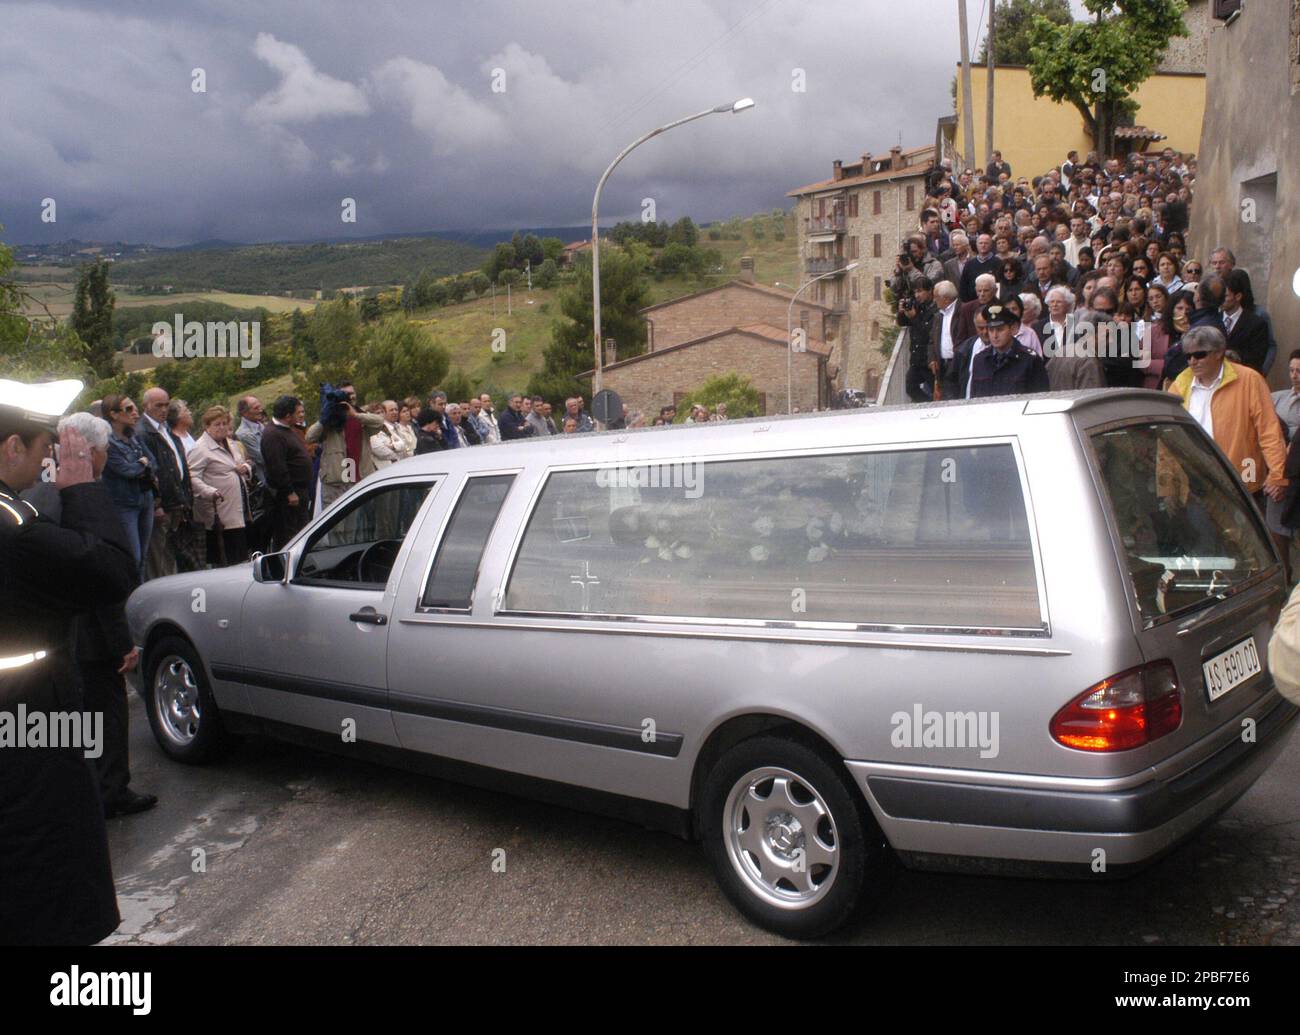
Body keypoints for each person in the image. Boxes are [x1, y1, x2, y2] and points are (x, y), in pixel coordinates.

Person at [0, 377, 138, 945]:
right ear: (12, 447)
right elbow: (110, 572)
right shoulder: (11, 530)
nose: (44, 463)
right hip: (26, 715)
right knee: (48, 849)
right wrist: (82, 488)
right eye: (40, 449)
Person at [1168, 325, 1287, 502]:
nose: (1193, 361)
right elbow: (1169, 438)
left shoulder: (1249, 380)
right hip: (1195, 484)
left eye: (1200, 354)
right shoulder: (1180, 385)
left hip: (1242, 484)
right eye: (1188, 356)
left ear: (1219, 352)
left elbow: (1269, 431)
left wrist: (1278, 475)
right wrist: (1168, 485)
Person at [138, 386, 192, 581]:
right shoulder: (144, 432)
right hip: (163, 504)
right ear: (145, 406)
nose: (163, 409)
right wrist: (157, 503)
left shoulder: (165, 429)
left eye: (166, 405)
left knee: (171, 555)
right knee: (158, 558)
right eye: (158, 405)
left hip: (175, 502)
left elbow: (177, 465)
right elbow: (149, 472)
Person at [189, 405, 253, 567]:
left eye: (225, 423)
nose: (222, 427)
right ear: (206, 426)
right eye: (217, 424)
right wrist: (209, 491)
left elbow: (244, 463)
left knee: (241, 554)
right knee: (225, 557)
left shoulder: (230, 444)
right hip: (219, 512)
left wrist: (245, 468)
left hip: (239, 508)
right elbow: (191, 477)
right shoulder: (200, 448)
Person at [101, 393, 157, 579]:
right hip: (125, 504)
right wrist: (143, 464)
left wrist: (144, 464)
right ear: (114, 414)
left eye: (135, 408)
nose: (135, 412)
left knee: (144, 555)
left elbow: (154, 463)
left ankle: (139, 591)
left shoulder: (134, 436)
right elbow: (126, 470)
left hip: (145, 499)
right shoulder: (108, 442)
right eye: (129, 409)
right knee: (134, 555)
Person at [307, 384, 385, 507]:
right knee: (338, 524)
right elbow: (309, 437)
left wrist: (355, 415)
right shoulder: (330, 421)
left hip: (360, 478)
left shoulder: (360, 416)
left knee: (356, 524)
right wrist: (325, 418)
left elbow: (379, 422)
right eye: (346, 394)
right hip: (337, 481)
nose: (350, 396)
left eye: (352, 393)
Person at [261, 395, 313, 551]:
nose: (301, 415)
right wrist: (289, 491)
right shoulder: (273, 434)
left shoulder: (287, 430)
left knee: (302, 531)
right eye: (298, 412)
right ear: (288, 415)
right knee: (288, 535)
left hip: (300, 491)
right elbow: (277, 466)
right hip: (289, 495)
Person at [967, 302, 1050, 399]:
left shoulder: (1029, 360)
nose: (995, 335)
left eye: (1000, 329)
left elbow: (1040, 397)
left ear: (1012, 329)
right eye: (991, 330)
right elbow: (975, 397)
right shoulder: (980, 359)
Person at [1221, 269, 1270, 373]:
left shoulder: (1256, 324)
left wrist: (1236, 357)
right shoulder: (1214, 319)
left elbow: (1257, 358)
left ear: (1238, 296)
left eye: (1225, 296)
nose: (1221, 300)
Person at [370, 400, 412, 467]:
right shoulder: (371, 432)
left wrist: (392, 446)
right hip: (386, 470)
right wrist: (396, 450)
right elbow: (382, 451)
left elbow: (403, 444)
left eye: (382, 412)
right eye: (391, 410)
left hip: (402, 465)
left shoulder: (394, 427)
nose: (395, 412)